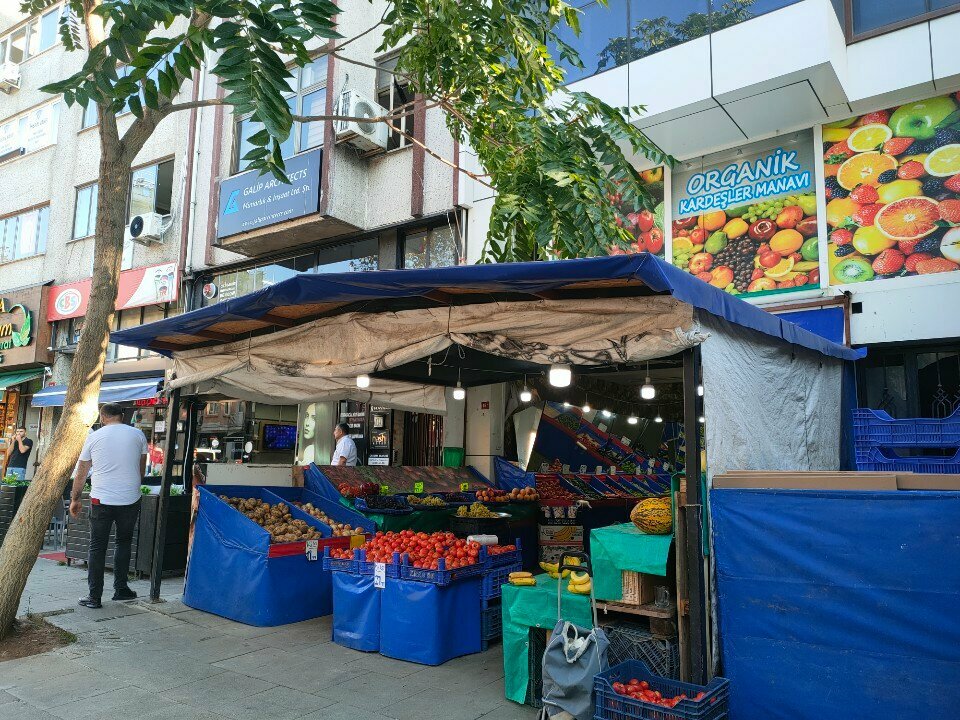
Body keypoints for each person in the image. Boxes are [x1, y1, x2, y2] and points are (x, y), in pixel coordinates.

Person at [69, 403, 148, 609]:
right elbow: (141, 471)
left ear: (103, 417)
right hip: (130, 498)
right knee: (124, 542)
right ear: (122, 416)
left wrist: (75, 498)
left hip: (101, 499)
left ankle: (94, 597)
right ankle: (121, 589)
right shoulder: (138, 435)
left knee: (97, 546)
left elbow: (82, 471)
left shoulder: (94, 436)